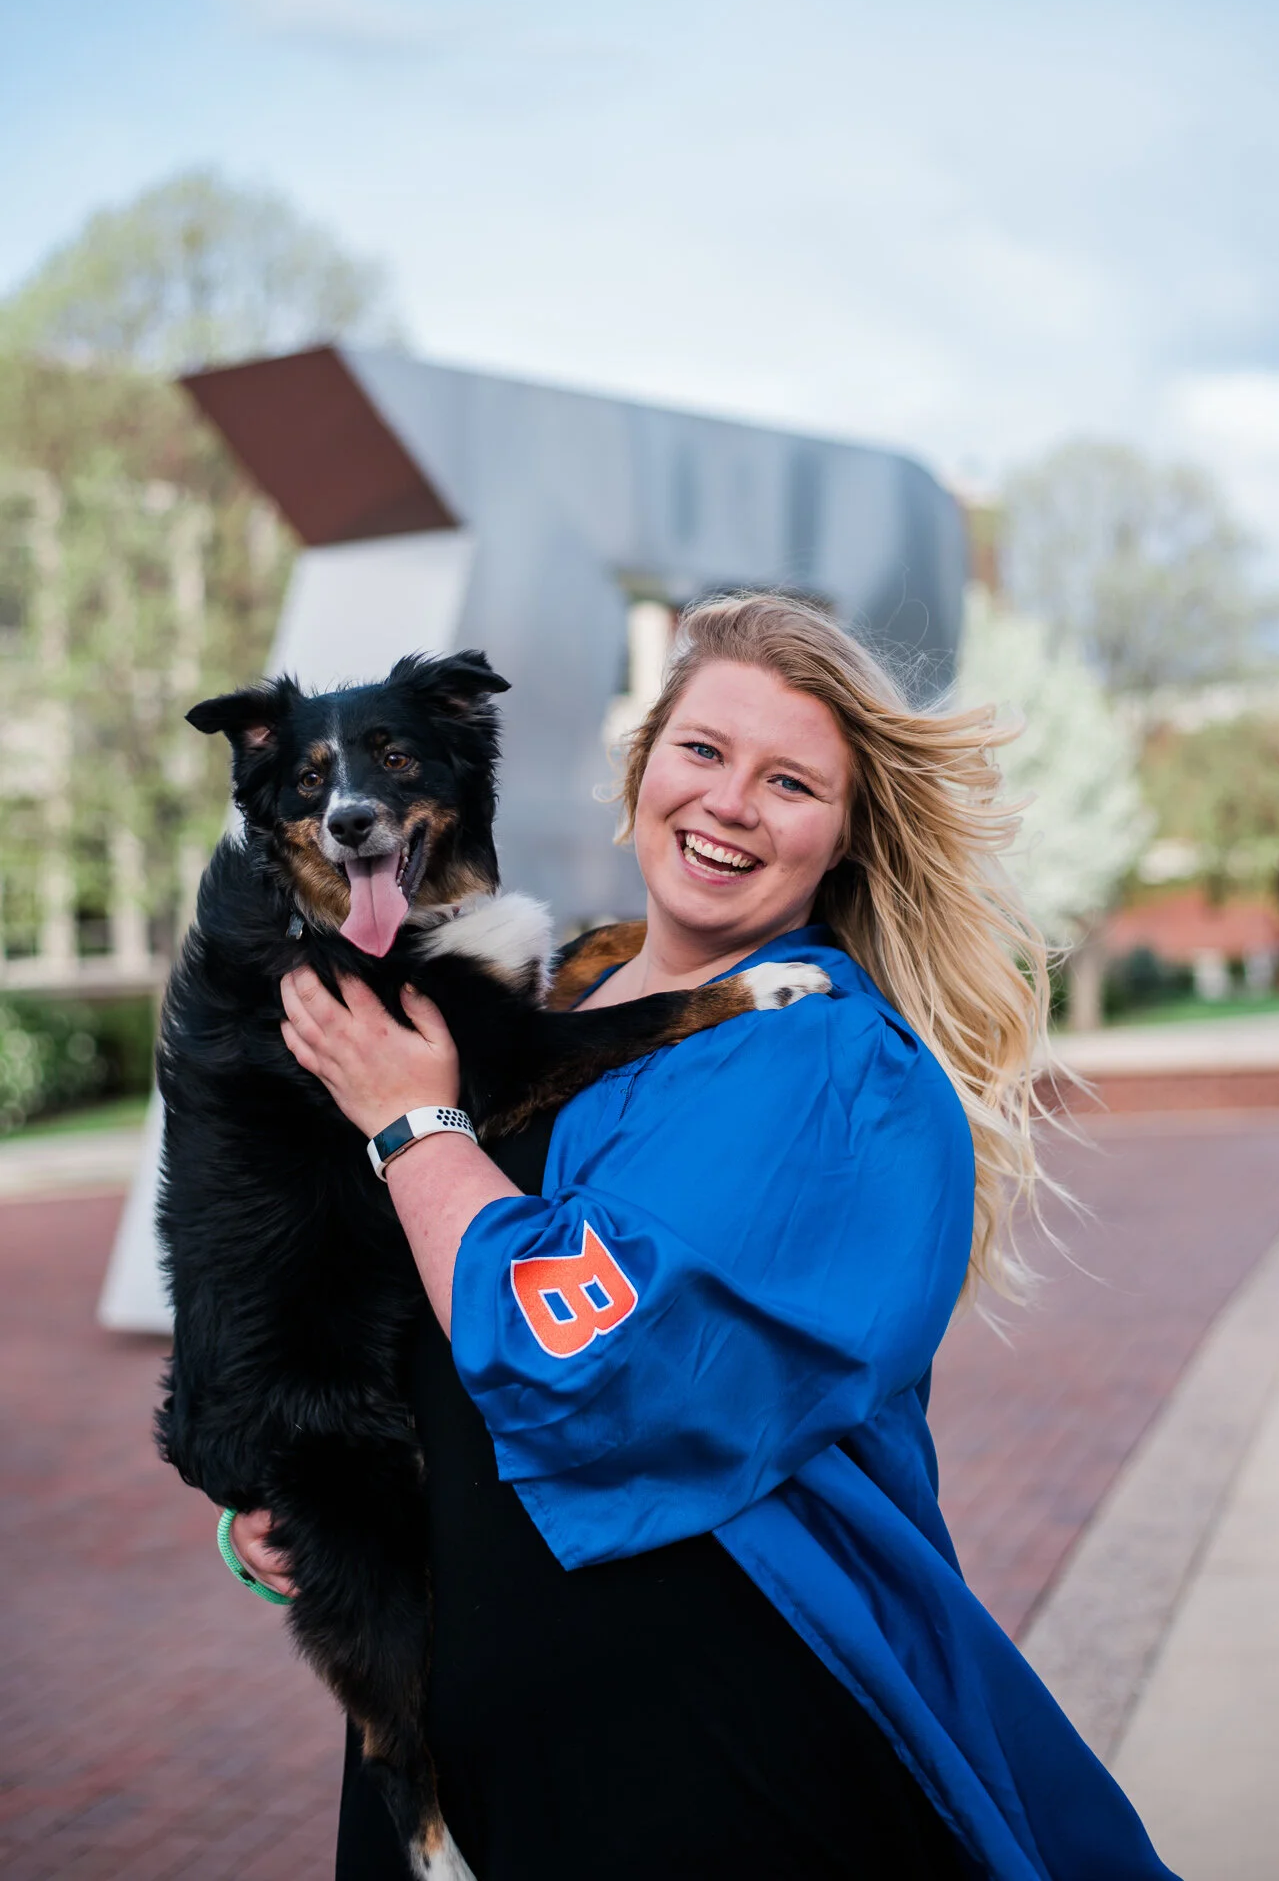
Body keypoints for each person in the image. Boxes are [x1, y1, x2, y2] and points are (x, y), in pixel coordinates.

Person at [232, 591, 1178, 1880]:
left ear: (844, 837)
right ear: (641, 774)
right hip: (449, 1738)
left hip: (699, 1734)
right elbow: (365, 1289)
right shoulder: (545, 1000)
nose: (729, 803)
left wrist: (412, 1126)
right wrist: (291, 1486)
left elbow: (578, 1357)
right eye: (703, 750)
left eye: (791, 782)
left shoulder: (825, 1061)